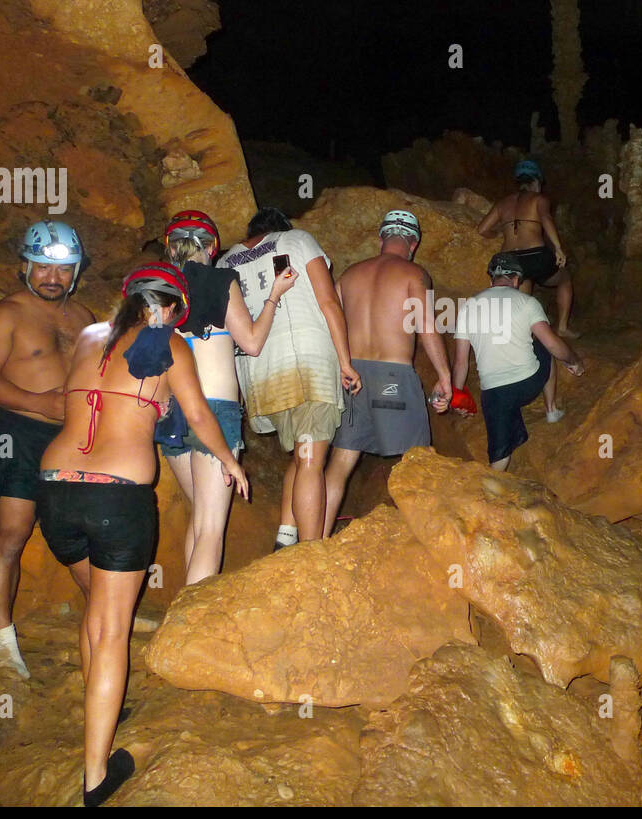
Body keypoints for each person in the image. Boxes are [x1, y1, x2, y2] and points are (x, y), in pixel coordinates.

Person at [37, 263, 247, 807]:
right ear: (173, 307)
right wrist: (229, 461)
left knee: (95, 611)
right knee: (110, 629)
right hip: (116, 498)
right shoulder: (170, 343)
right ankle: (95, 777)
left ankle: (100, 703)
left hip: (55, 491)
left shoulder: (89, 336)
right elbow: (200, 415)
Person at [0, 220, 95, 680]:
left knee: (83, 531)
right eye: (42, 266)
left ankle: (104, 615)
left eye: (62, 269)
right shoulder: (4, 314)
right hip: (18, 432)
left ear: (76, 271)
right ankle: (1, 640)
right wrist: (38, 401)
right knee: (12, 532)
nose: (52, 276)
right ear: (25, 265)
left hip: (71, 439)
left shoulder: (84, 318)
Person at [159, 210, 297, 582]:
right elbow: (251, 343)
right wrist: (273, 297)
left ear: (170, 248)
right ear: (212, 247)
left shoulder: (160, 289)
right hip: (213, 410)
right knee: (210, 528)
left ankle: (182, 614)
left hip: (171, 412)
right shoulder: (222, 279)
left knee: (198, 516)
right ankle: (192, 626)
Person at [217, 207, 361, 548]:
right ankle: (311, 551)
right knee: (311, 458)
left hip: (260, 375)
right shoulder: (297, 240)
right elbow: (328, 303)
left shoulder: (225, 263)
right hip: (308, 366)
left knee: (301, 453)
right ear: (281, 228)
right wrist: (345, 362)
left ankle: (286, 534)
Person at [322, 210, 452, 536]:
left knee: (339, 464)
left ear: (380, 239)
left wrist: (337, 369)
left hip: (353, 377)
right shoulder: (414, 274)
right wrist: (444, 375)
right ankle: (421, 536)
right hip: (393, 377)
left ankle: (316, 540)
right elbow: (426, 326)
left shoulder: (348, 276)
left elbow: (328, 327)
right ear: (414, 243)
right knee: (417, 459)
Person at [451, 252, 584, 471]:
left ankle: (493, 487)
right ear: (516, 280)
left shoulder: (468, 307)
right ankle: (551, 410)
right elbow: (552, 344)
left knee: (499, 455)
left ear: (490, 280)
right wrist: (574, 360)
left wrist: (458, 396)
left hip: (494, 393)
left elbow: (460, 363)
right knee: (543, 346)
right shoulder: (527, 302)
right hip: (527, 384)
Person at [476, 158, 577, 336]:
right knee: (564, 279)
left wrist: (498, 234)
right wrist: (558, 247)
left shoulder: (503, 203)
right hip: (535, 255)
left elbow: (482, 229)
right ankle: (561, 328)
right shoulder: (539, 199)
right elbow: (546, 218)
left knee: (524, 284)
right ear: (536, 181)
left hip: (508, 260)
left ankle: (520, 333)